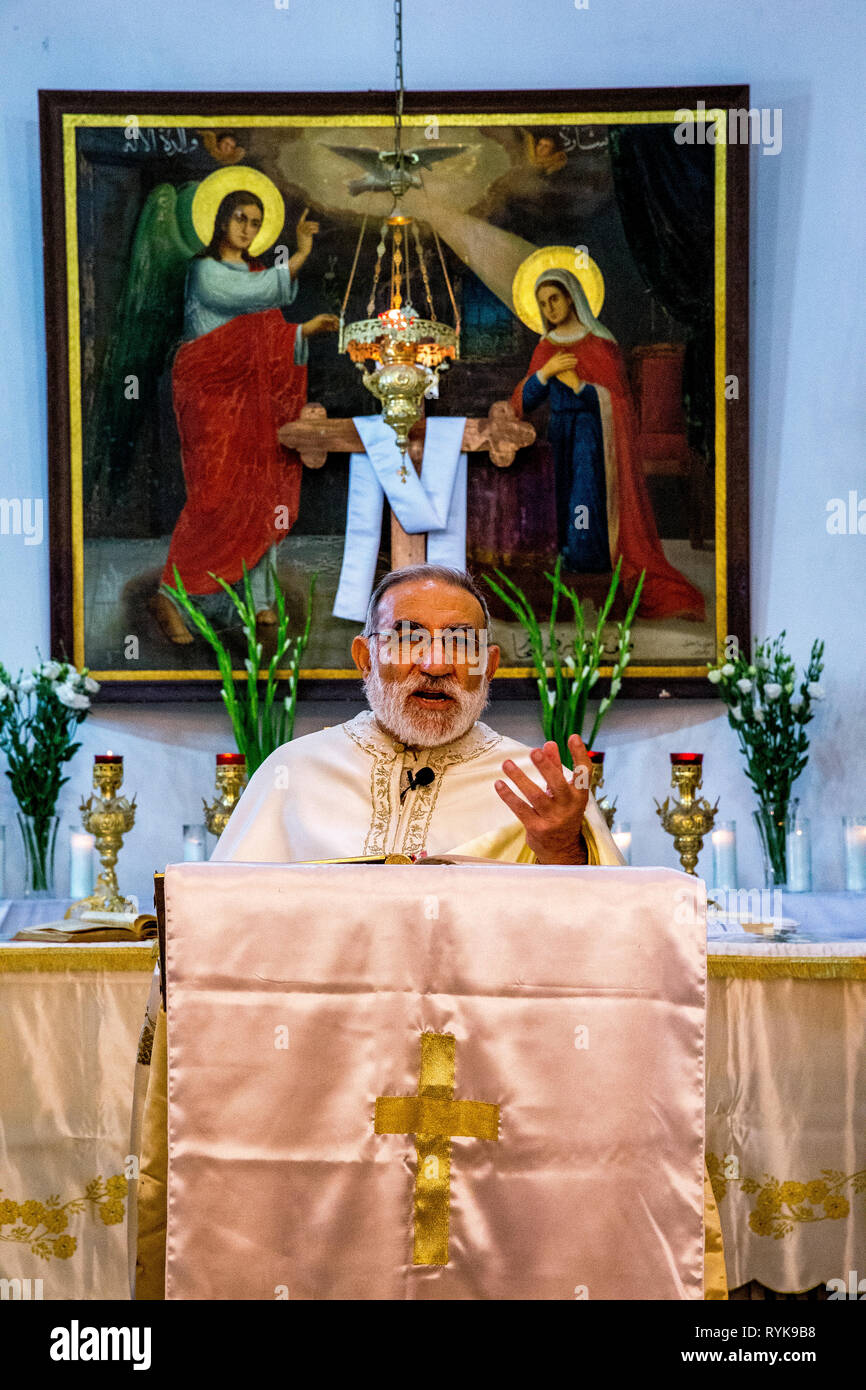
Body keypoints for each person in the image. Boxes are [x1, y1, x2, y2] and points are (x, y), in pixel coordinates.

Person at [131, 564, 726, 1299]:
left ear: (490, 665)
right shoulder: (294, 774)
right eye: (409, 638)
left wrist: (561, 848)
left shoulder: (533, 782)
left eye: (460, 643)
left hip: (500, 1112)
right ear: (365, 656)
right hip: (319, 1105)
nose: (436, 664)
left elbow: (607, 977)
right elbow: (215, 954)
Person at [150, 189, 339, 645]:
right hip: (211, 401)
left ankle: (257, 597)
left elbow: (270, 331)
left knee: (260, 492)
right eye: (239, 218)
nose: (248, 229)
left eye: (255, 222)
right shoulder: (205, 272)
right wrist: (302, 254)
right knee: (213, 499)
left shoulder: (257, 268)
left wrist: (301, 333)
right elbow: (249, 297)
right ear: (219, 220)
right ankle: (171, 594)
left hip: (253, 405)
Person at [511, 267, 706, 622]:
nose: (550, 308)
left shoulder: (600, 342)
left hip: (592, 438)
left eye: (554, 299)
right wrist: (546, 372)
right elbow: (522, 402)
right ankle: (564, 573)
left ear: (571, 297)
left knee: (582, 502)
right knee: (556, 499)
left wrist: (581, 388)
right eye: (543, 303)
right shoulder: (546, 347)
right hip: (559, 438)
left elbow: (619, 402)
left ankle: (588, 572)